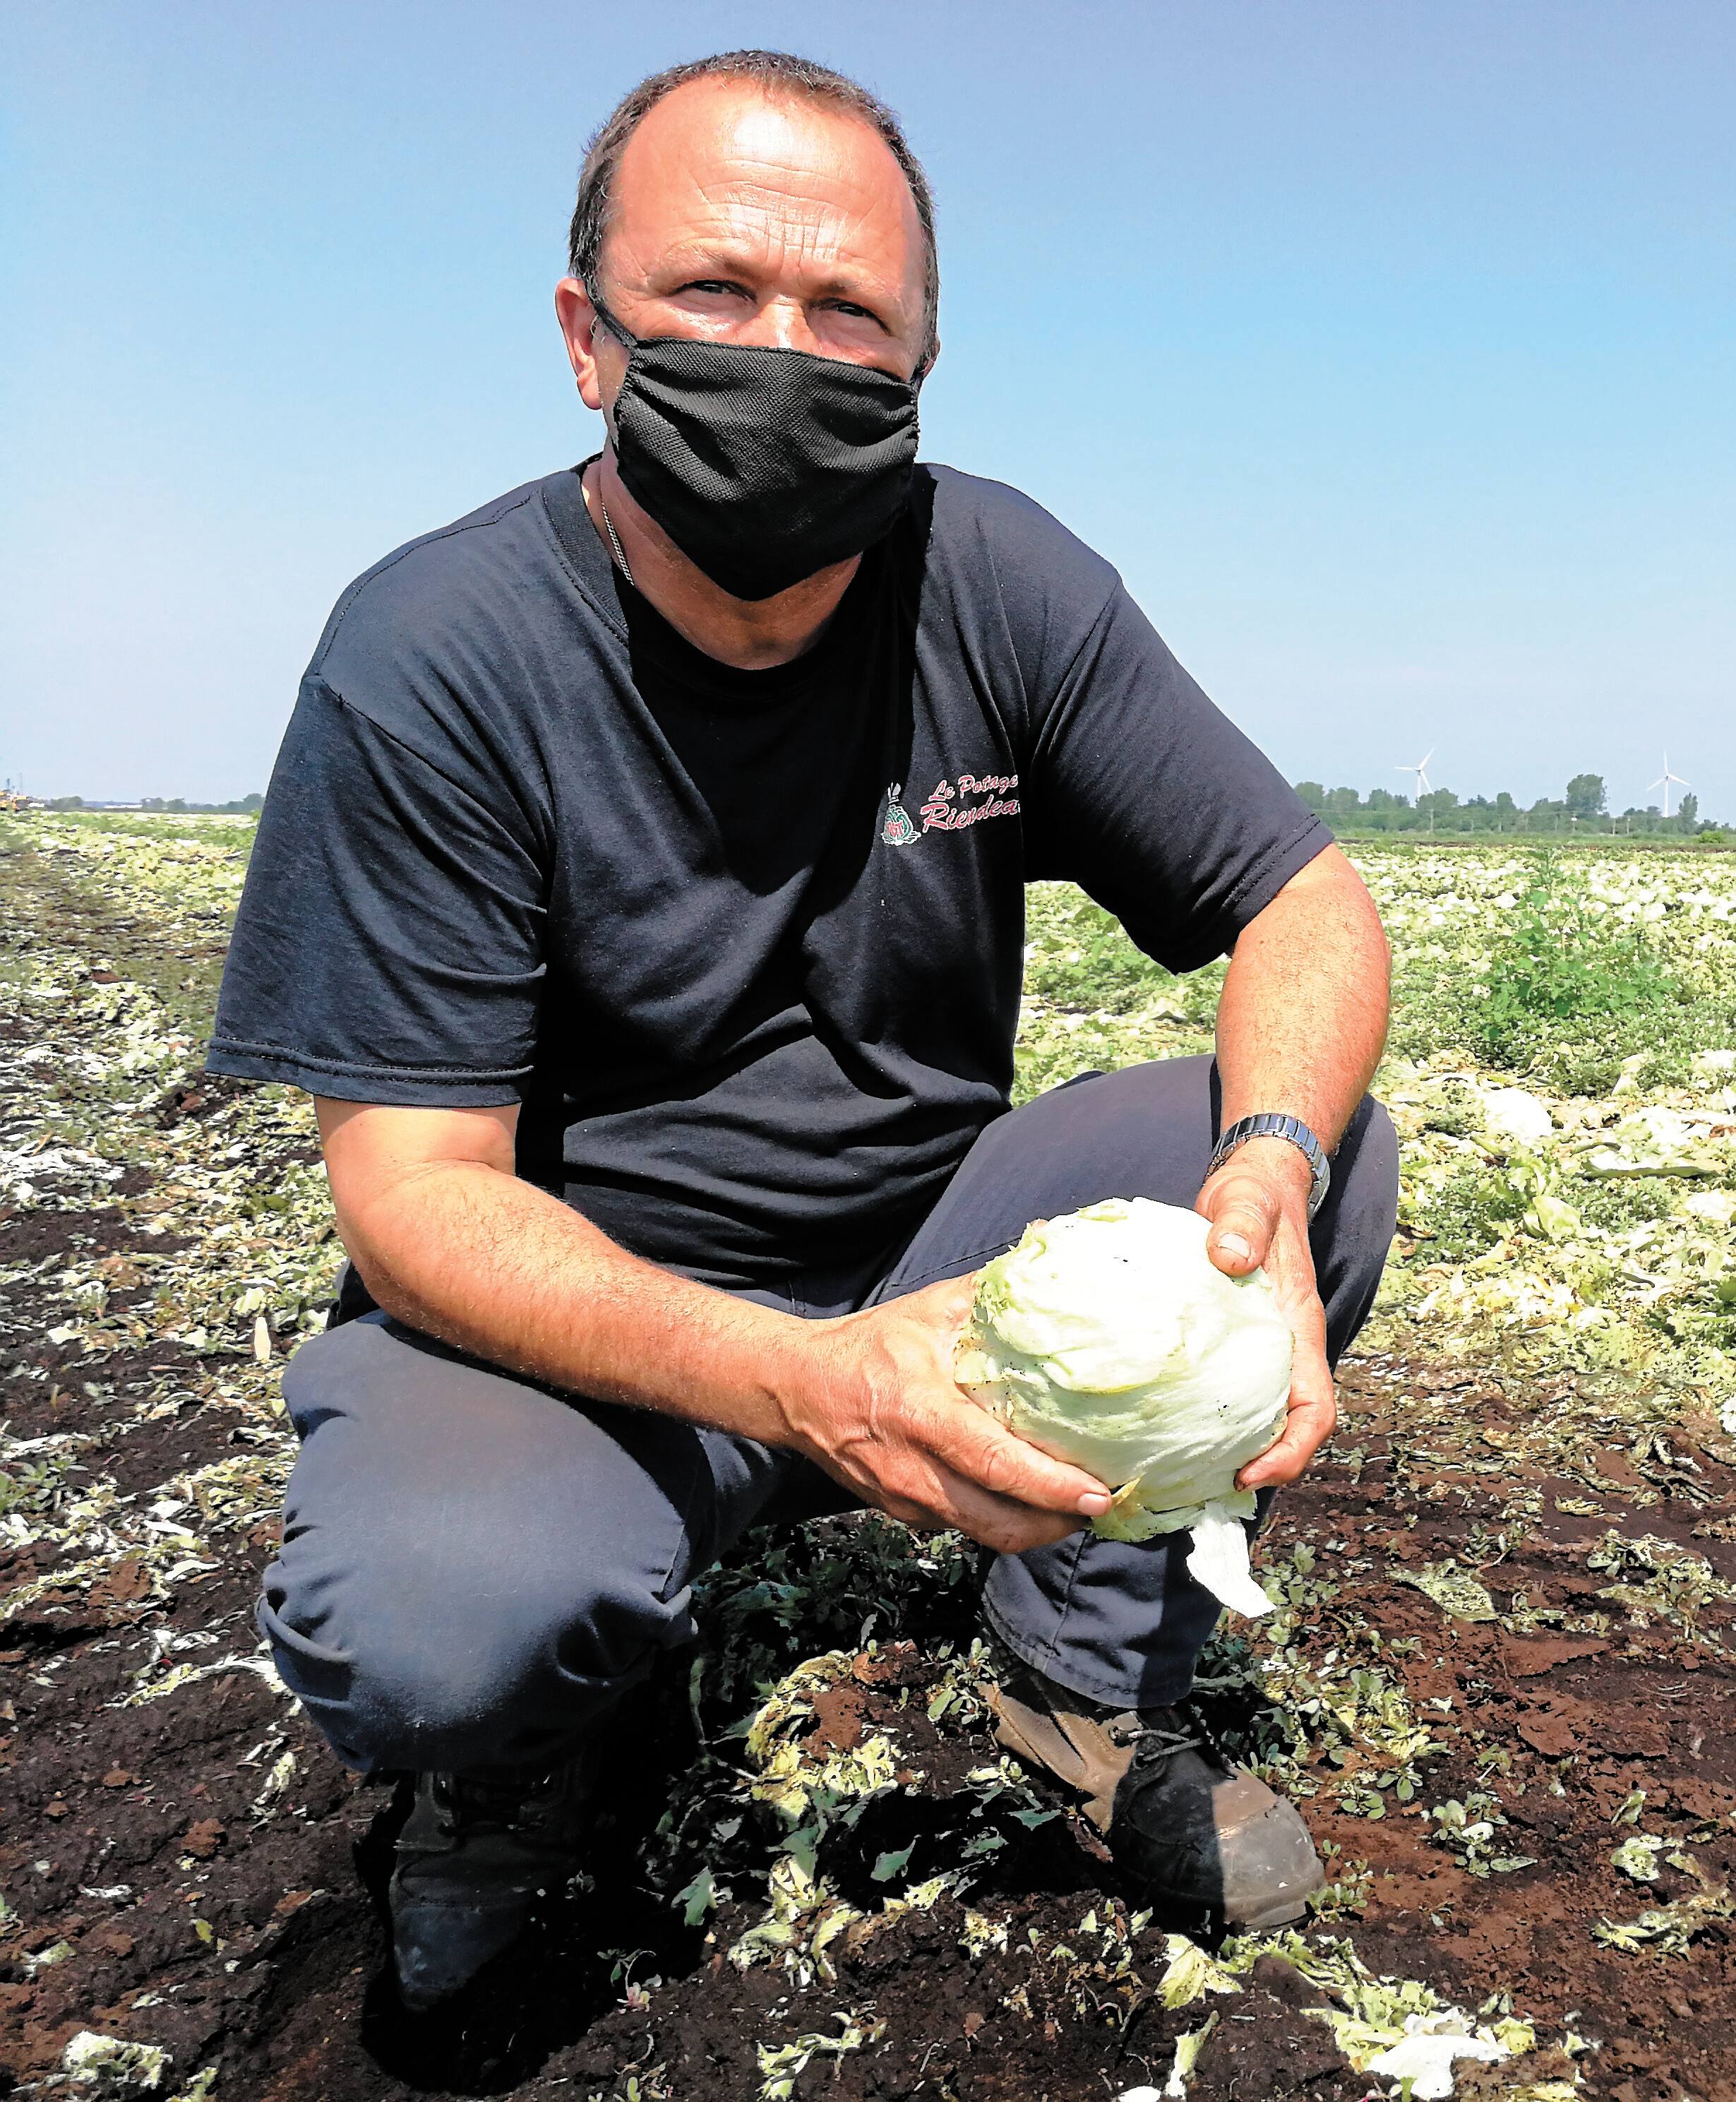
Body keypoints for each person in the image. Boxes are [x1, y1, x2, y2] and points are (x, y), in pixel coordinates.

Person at [205, 49, 1396, 2010]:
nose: (786, 349)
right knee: (435, 1616)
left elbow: (1303, 900)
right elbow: (417, 1196)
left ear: (922, 361)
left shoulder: (993, 576)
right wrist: (795, 1374)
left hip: (935, 1264)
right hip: (590, 1324)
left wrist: (1268, 1159)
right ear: (588, 338)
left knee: (1304, 1152)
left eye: (850, 312)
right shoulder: (437, 652)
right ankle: (520, 1759)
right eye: (714, 295)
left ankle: (1083, 1689)